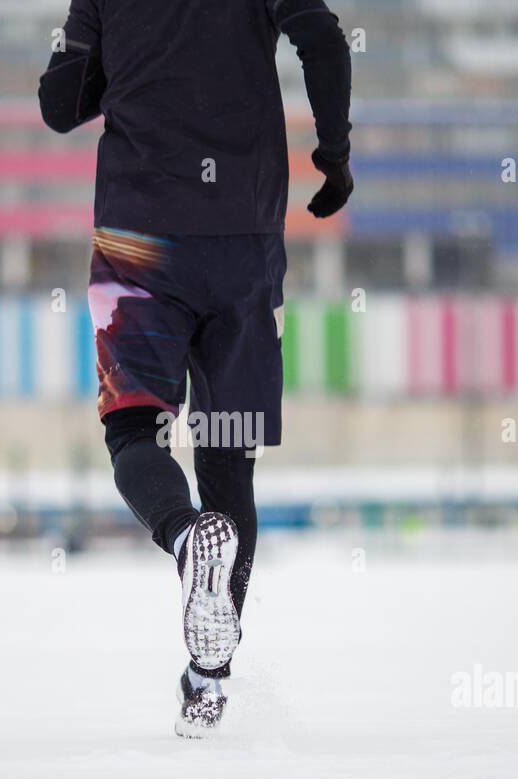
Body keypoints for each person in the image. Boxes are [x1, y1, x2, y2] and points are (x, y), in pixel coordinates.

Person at [38, 0, 353, 736]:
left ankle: (184, 540)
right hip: (242, 240)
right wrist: (332, 156)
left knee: (134, 433)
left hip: (138, 240)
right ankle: (207, 678)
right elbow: (325, 42)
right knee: (228, 458)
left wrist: (114, 55)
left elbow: (60, 104)